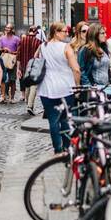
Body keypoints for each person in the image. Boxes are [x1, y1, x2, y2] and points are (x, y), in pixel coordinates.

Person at [39, 21, 82, 153]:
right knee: (65, 119)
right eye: (64, 31)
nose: (66, 33)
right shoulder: (66, 47)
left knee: (53, 121)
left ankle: (57, 150)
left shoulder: (42, 46)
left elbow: (37, 61)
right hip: (65, 87)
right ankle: (67, 147)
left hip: (46, 88)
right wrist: (78, 87)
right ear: (56, 32)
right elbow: (76, 69)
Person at [16, 24, 43, 115]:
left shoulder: (22, 41)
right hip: (34, 67)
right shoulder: (38, 42)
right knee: (33, 86)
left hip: (24, 67)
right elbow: (39, 56)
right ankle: (30, 106)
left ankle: (28, 103)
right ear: (35, 32)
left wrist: (18, 69)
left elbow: (18, 55)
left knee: (27, 85)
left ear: (29, 31)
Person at [79, 24, 111, 93]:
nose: (105, 35)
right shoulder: (86, 49)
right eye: (102, 33)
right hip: (94, 88)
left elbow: (107, 69)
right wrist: (90, 87)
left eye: (105, 33)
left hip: (107, 87)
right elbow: (82, 71)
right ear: (95, 34)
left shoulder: (104, 47)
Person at [0, 24, 21, 103]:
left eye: (9, 28)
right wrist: (4, 49)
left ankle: (12, 98)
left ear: (12, 29)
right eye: (6, 27)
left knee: (12, 80)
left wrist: (11, 52)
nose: (7, 29)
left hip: (12, 61)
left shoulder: (16, 39)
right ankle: (3, 96)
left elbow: (19, 51)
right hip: (3, 60)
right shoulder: (2, 38)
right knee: (3, 79)